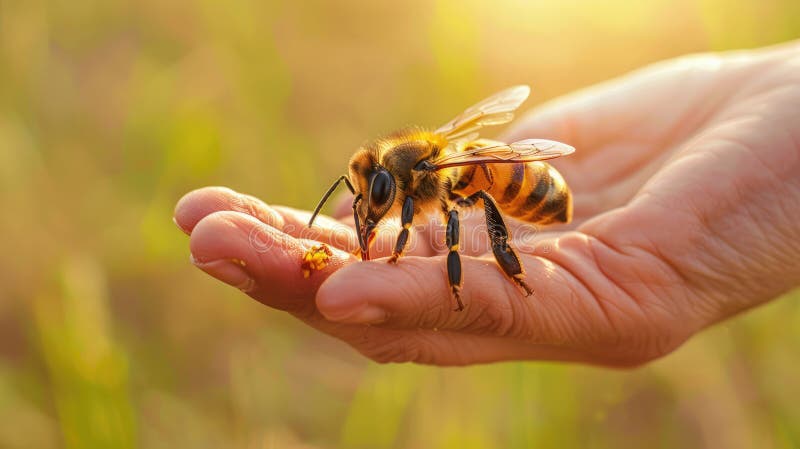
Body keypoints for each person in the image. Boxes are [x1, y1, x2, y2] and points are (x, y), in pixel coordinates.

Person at [174, 41, 800, 367]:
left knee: (460, 214)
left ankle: (504, 266)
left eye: (377, 198)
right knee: (459, 206)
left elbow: (445, 215)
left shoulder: (428, 175)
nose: (373, 207)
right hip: (498, 170)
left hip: (530, 184)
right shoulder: (403, 171)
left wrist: (406, 249)